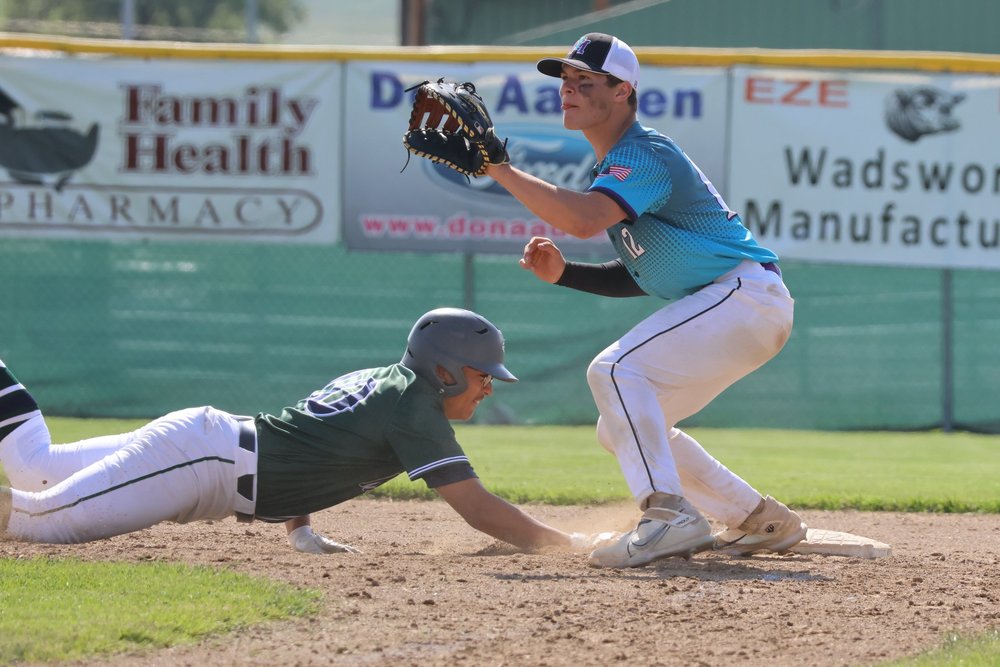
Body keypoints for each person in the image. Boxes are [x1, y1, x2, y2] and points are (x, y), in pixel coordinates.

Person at [481, 33, 807, 567]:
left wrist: (499, 169)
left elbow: (584, 219)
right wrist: (566, 275)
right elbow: (648, 272)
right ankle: (759, 518)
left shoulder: (643, 153)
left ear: (623, 91)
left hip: (744, 298)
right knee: (620, 426)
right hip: (740, 305)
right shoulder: (620, 166)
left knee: (612, 371)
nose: (569, 91)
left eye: (585, 82)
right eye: (565, 82)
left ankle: (668, 517)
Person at [0, 307, 598, 555]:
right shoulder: (413, 407)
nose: (488, 385)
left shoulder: (391, 382)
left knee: (36, 466)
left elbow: (307, 441)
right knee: (40, 522)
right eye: (480, 374)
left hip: (205, 448)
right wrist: (567, 545)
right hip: (201, 462)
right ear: (443, 370)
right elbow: (478, 508)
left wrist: (301, 530)